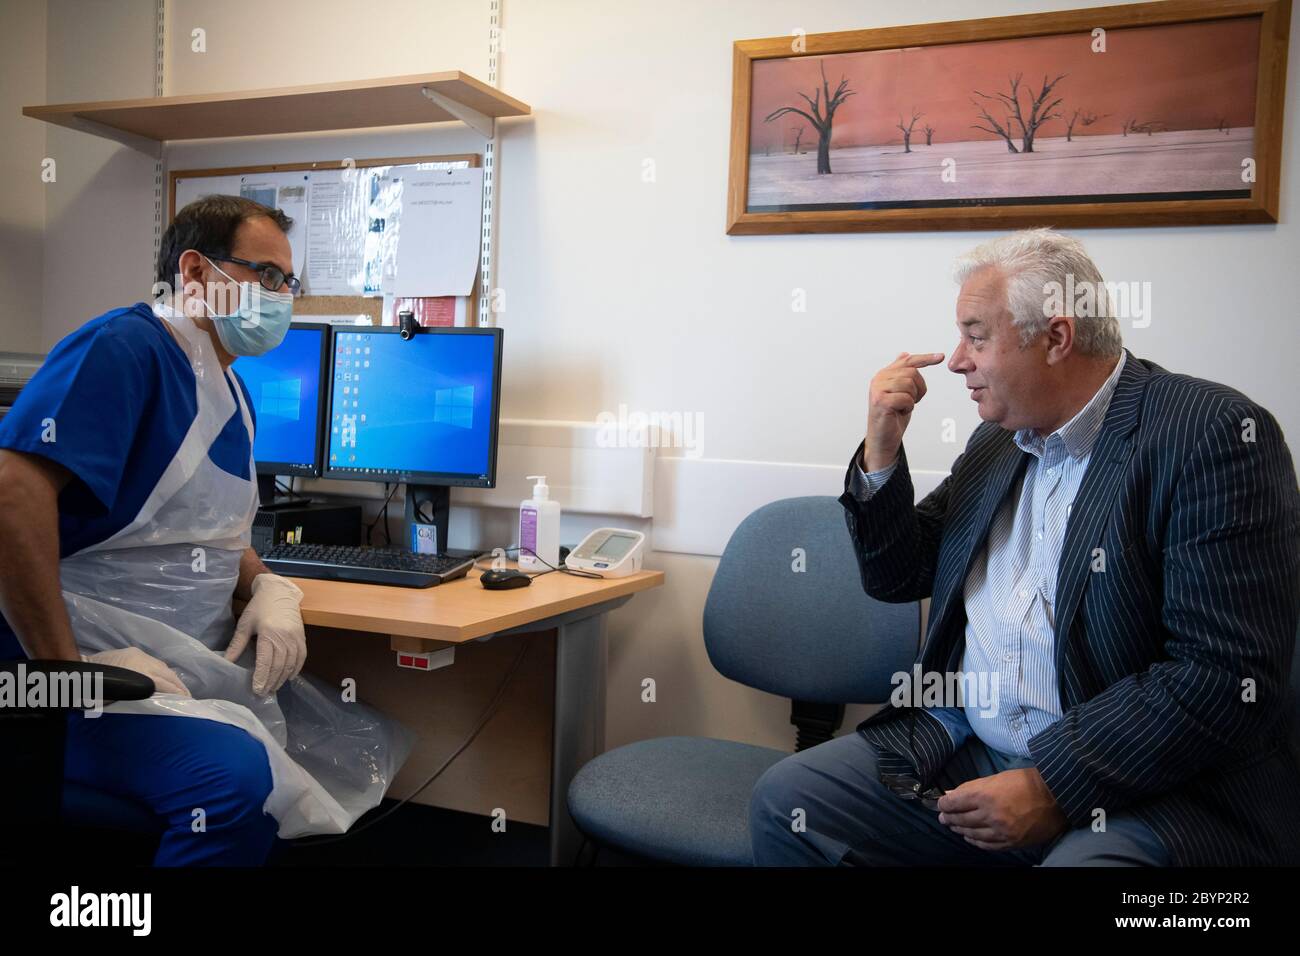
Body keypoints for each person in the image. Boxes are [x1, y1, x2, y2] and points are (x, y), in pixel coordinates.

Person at [749, 227, 1300, 866]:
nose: (956, 361)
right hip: (970, 748)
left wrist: (1051, 784)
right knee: (787, 804)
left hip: (1142, 785)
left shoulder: (1211, 435)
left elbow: (1222, 675)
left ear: (1056, 338)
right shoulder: (998, 440)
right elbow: (899, 575)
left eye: (976, 337)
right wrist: (881, 451)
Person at [0, 195, 408, 865]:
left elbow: (215, 534)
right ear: (195, 271)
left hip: (169, 662)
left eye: (289, 283)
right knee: (231, 780)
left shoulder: (232, 394)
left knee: (333, 751)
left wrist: (271, 587)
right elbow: (13, 492)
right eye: (266, 276)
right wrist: (64, 669)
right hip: (69, 674)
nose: (281, 297)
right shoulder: (126, 348)